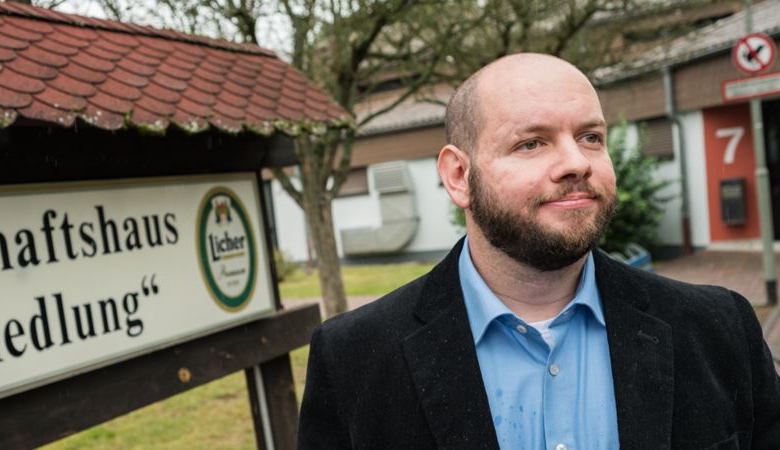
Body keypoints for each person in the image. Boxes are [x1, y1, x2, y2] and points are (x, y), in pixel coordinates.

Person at [297, 53, 780, 450]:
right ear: (459, 177)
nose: (576, 162)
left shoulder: (720, 330)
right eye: (531, 143)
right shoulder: (353, 359)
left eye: (591, 137)